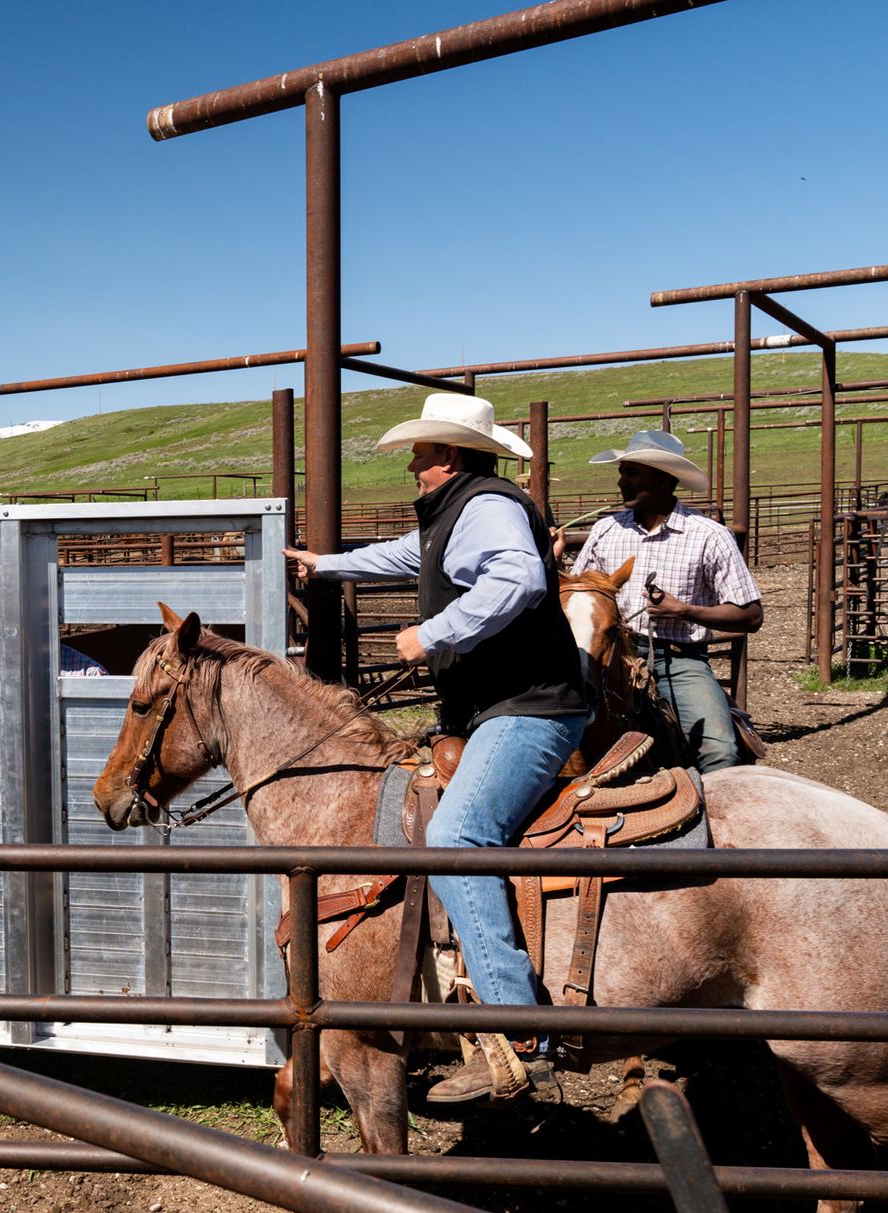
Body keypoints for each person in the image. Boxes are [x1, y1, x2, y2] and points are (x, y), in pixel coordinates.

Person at [283, 391, 589, 1105]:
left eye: (419, 454)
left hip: (530, 709)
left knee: (458, 833)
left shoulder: (486, 506)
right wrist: (325, 565)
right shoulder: (455, 513)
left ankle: (517, 1035)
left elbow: (521, 576)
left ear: (448, 456)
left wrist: (435, 631)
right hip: (501, 708)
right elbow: (403, 555)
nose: (412, 467)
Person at [567, 430, 762, 775]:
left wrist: (685, 610)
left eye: (632, 473)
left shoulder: (708, 535)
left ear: (664, 480)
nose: (621, 482)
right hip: (609, 655)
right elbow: (579, 595)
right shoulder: (606, 530)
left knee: (719, 750)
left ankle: (712, 819)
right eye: (622, 472)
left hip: (679, 659)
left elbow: (750, 616)